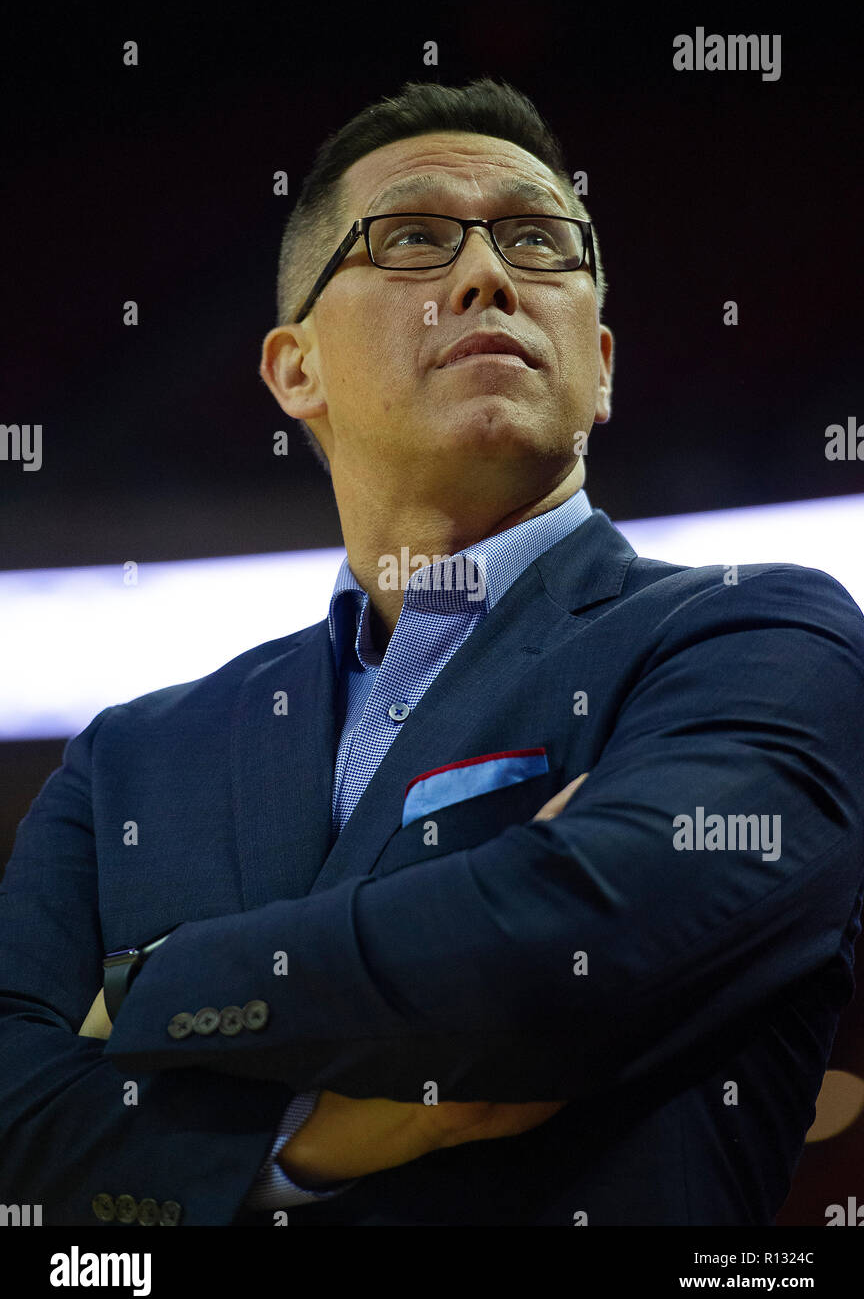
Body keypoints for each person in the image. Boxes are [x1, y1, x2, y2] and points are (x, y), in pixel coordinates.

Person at [2, 78, 863, 1227]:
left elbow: (584, 939)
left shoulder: (762, 634)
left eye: (539, 243)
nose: (487, 275)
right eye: (412, 239)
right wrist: (322, 1140)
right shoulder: (127, 758)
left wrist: (151, 982)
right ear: (293, 370)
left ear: (599, 365)